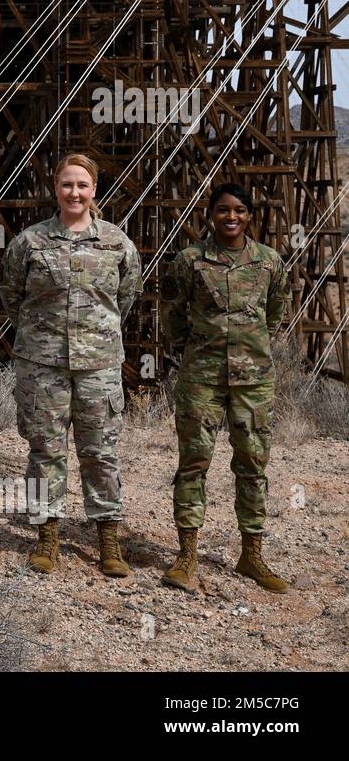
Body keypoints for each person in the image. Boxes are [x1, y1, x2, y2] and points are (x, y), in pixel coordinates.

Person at [0, 152, 142, 576]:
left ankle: (108, 541)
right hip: (42, 365)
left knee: (100, 453)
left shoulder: (117, 243)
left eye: (82, 185)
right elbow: (12, 297)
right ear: (56, 189)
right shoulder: (30, 242)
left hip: (98, 364)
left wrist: (93, 333)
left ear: (93, 189)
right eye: (66, 184)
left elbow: (125, 298)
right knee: (46, 450)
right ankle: (47, 537)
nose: (74, 192)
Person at [160, 183, 292, 593]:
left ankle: (251, 555)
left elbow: (275, 313)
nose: (230, 217)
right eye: (222, 210)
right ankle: (186, 555)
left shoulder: (269, 262)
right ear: (210, 214)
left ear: (250, 216)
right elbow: (172, 312)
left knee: (253, 466)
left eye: (239, 210)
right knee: (194, 463)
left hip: (254, 382)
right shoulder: (189, 261)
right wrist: (193, 348)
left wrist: (253, 349)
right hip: (202, 378)